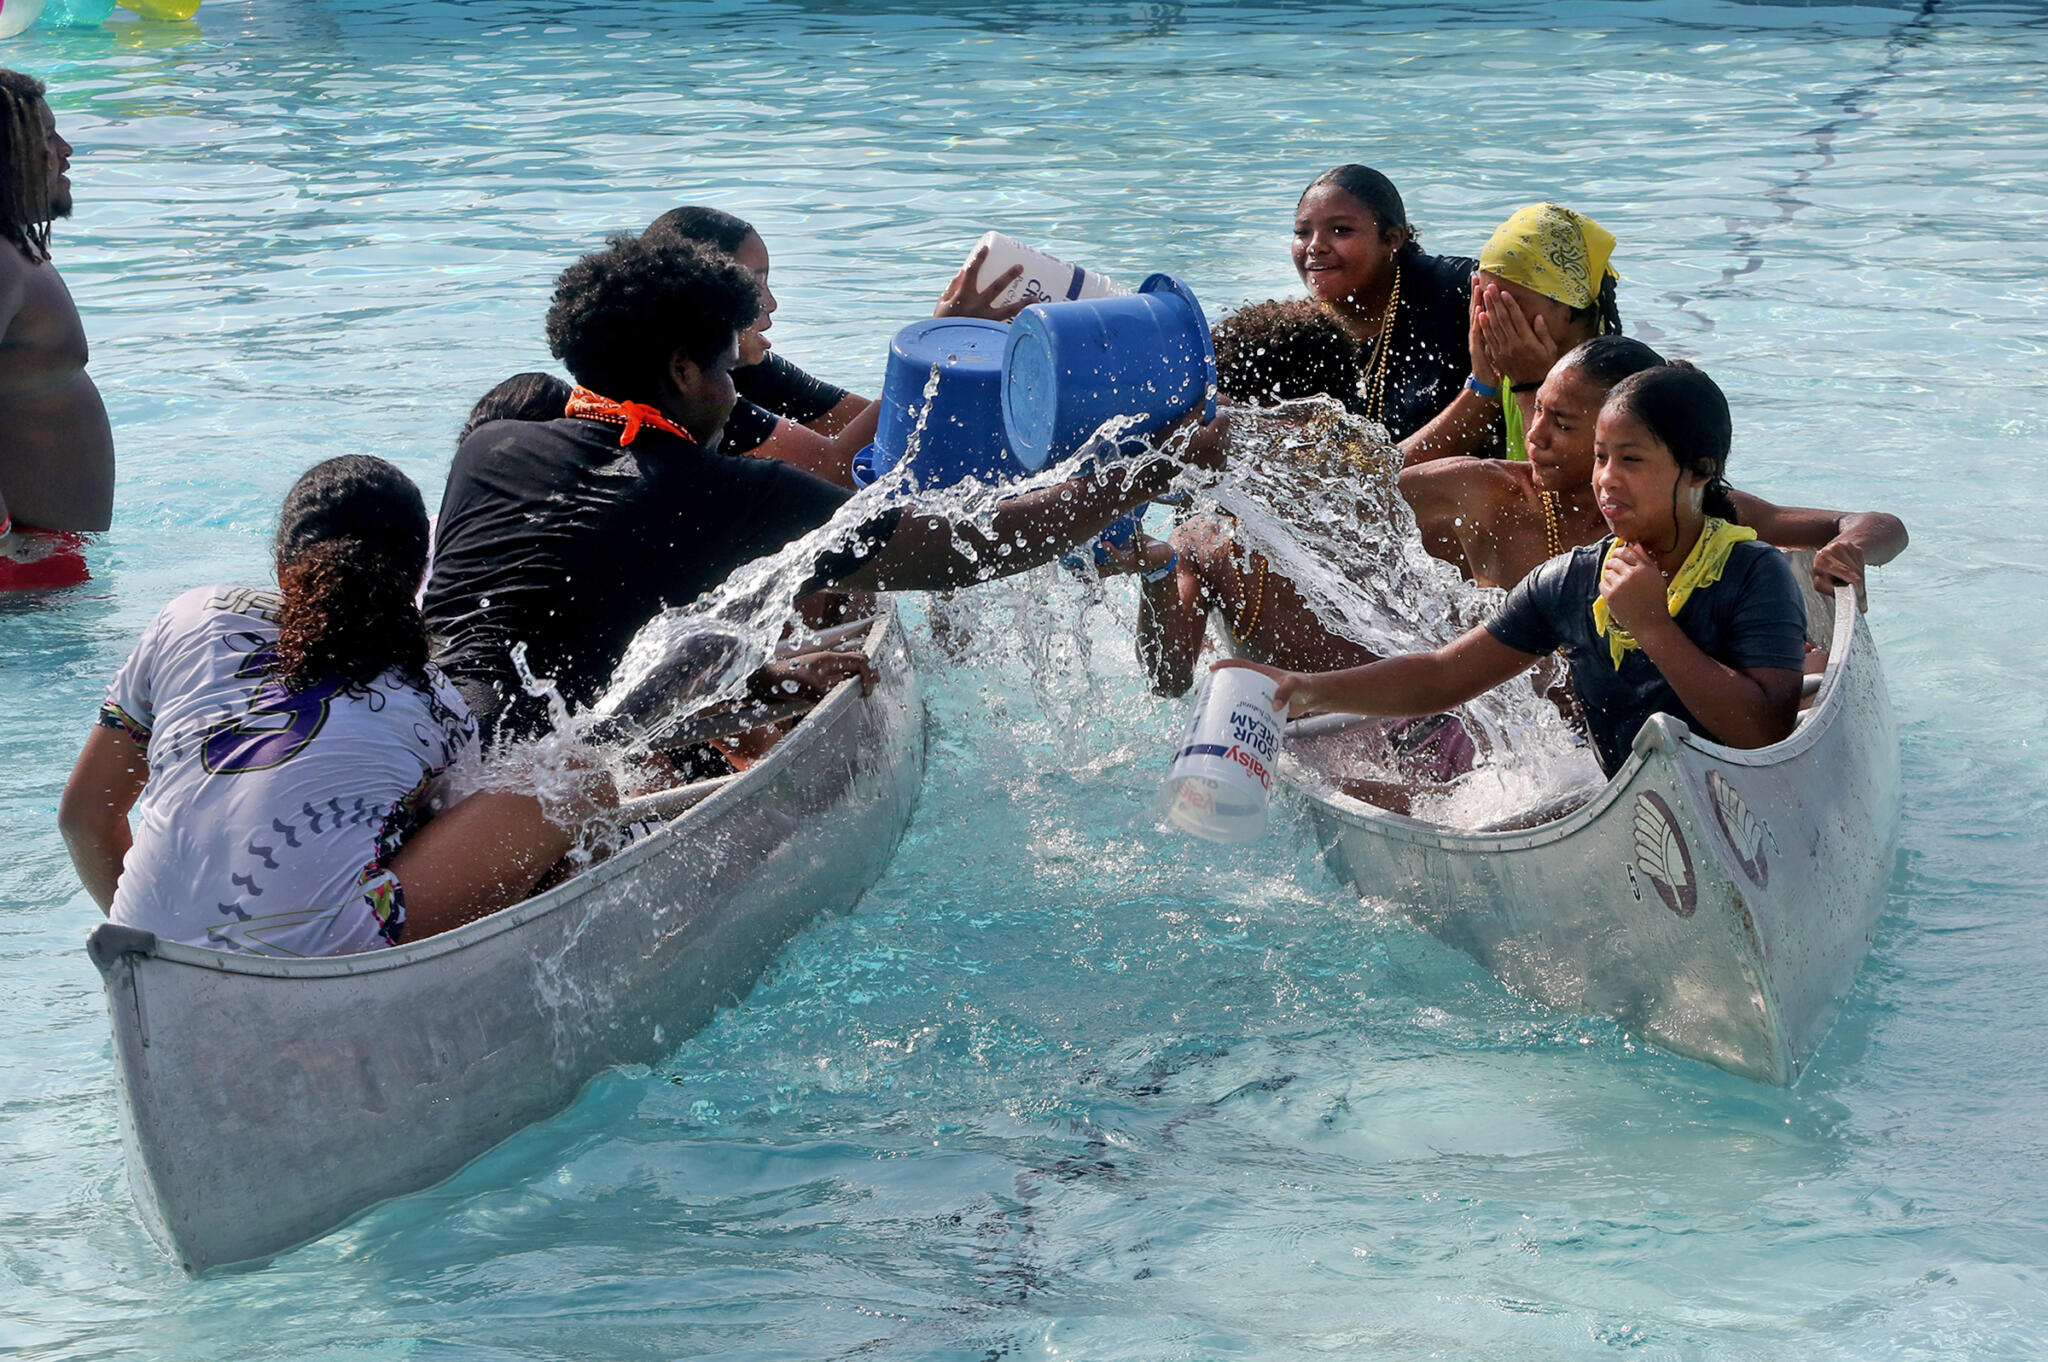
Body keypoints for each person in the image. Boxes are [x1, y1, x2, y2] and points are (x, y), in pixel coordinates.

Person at [423, 233, 1217, 746]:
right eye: (730, 371)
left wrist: (751, 689)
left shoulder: (491, 447)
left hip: (422, 728)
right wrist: (1152, 471)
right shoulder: (718, 492)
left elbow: (554, 620)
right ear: (681, 372)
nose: (735, 394)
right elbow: (967, 552)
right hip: (507, 773)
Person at [58, 457, 574, 954]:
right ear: (418, 580)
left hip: (144, 947)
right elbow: (441, 859)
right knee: (570, 777)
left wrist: (178, 943)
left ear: (283, 570)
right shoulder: (439, 703)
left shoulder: (190, 618)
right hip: (331, 955)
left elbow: (83, 819)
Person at [1223, 363, 1810, 785]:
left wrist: (1653, 628)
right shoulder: (1571, 581)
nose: (1607, 478)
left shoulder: (1753, 572)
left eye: (1632, 460)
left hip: (1740, 804)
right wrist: (1306, 689)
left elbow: (1764, 732)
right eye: (1602, 456)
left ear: (1700, 471)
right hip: (1629, 806)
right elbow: (1441, 677)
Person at [1401, 336, 1911, 597]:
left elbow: (1882, 526)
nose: (1534, 436)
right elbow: (1340, 503)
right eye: (1536, 410)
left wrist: (1849, 551)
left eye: (1561, 423)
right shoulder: (1482, 489)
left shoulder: (1690, 512)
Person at [642, 205, 1025, 488]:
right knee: (832, 531)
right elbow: (839, 470)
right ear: (699, 300)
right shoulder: (692, 393)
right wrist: (938, 342)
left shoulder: (752, 369)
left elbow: (886, 432)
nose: (771, 303)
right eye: (752, 286)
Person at [0, 70, 114, 591]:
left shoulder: (16, 250)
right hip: (18, 557)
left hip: (36, 551)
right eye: (45, 136)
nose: (65, 151)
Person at [1402, 201, 1622, 468]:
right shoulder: (1509, 372)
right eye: (1483, 300)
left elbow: (1562, 499)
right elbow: (1385, 481)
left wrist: (1531, 386)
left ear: (1567, 306)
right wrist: (1483, 383)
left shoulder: (1615, 387)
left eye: (1507, 304)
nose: (1491, 318)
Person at [1289, 165, 1476, 442]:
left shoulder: (1458, 290)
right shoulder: (1300, 335)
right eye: (1302, 232)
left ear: (1392, 239)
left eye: (1340, 230)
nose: (1315, 246)